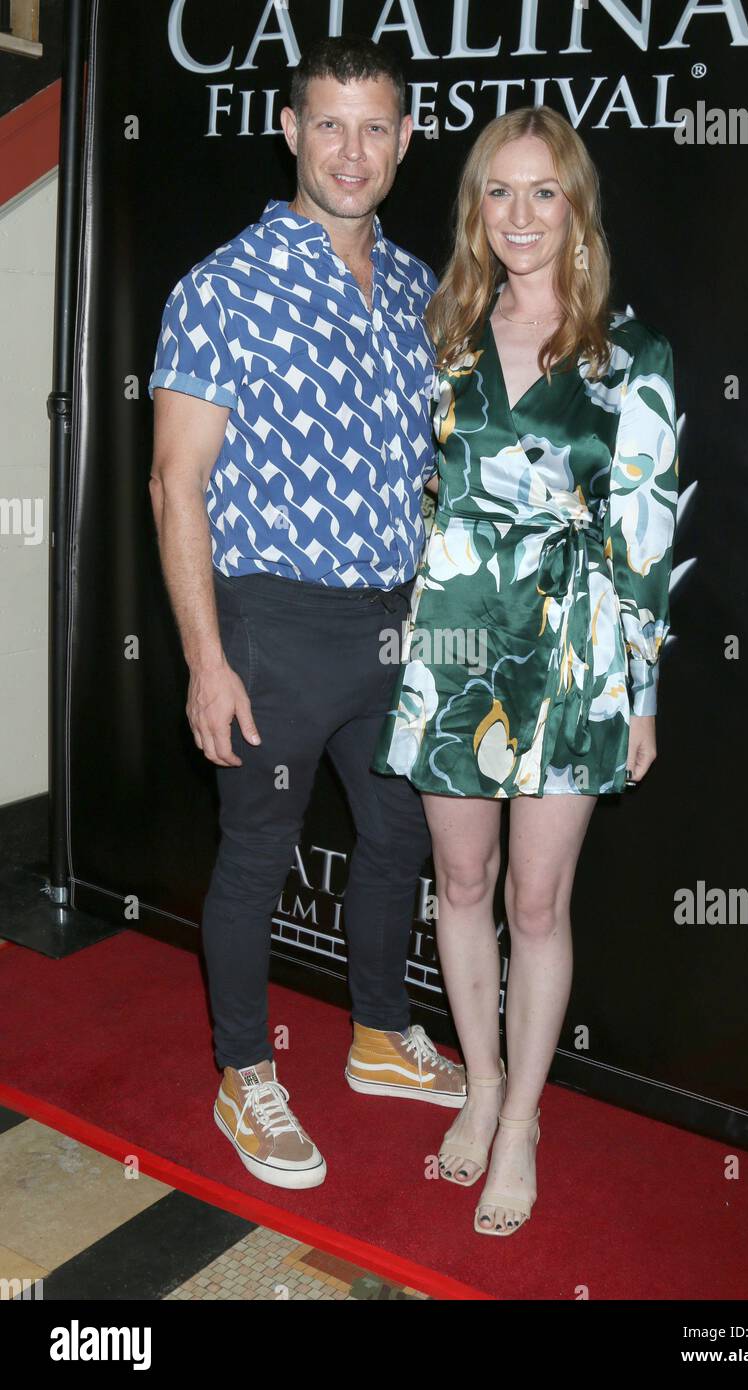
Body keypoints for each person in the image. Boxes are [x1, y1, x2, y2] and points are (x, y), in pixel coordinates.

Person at [147, 37, 466, 1192]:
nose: (350, 149)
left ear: (403, 142)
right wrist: (204, 658)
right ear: (289, 131)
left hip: (393, 627)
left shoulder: (426, 290)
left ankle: (379, 1033)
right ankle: (245, 1075)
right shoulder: (221, 285)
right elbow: (173, 482)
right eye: (327, 123)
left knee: (396, 838)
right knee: (254, 858)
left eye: (374, 127)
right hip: (271, 624)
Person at [372, 106, 679, 1235]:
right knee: (456, 887)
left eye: (540, 191)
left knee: (533, 898)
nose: (517, 215)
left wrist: (638, 692)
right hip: (453, 642)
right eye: (496, 193)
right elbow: (407, 499)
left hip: (574, 657)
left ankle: (520, 1120)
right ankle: (481, 1076)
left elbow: (642, 542)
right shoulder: (439, 334)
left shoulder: (628, 359)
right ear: (474, 208)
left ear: (575, 206)